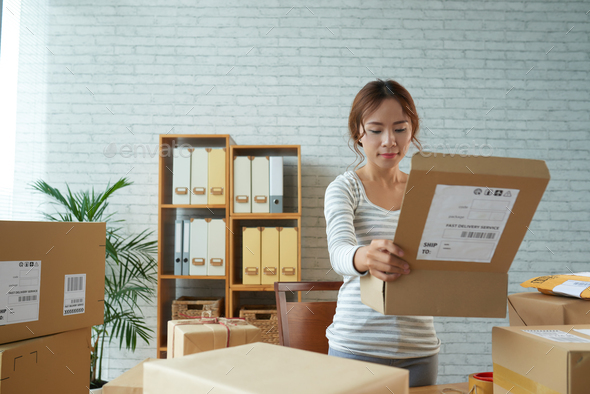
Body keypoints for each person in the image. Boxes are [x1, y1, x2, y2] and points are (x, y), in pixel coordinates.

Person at [324, 79, 441, 387]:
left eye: (400, 129)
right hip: (356, 346)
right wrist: (366, 256)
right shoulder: (345, 187)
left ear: (412, 130)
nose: (389, 140)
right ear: (357, 133)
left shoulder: (425, 188)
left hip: (419, 349)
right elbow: (338, 253)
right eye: (376, 130)